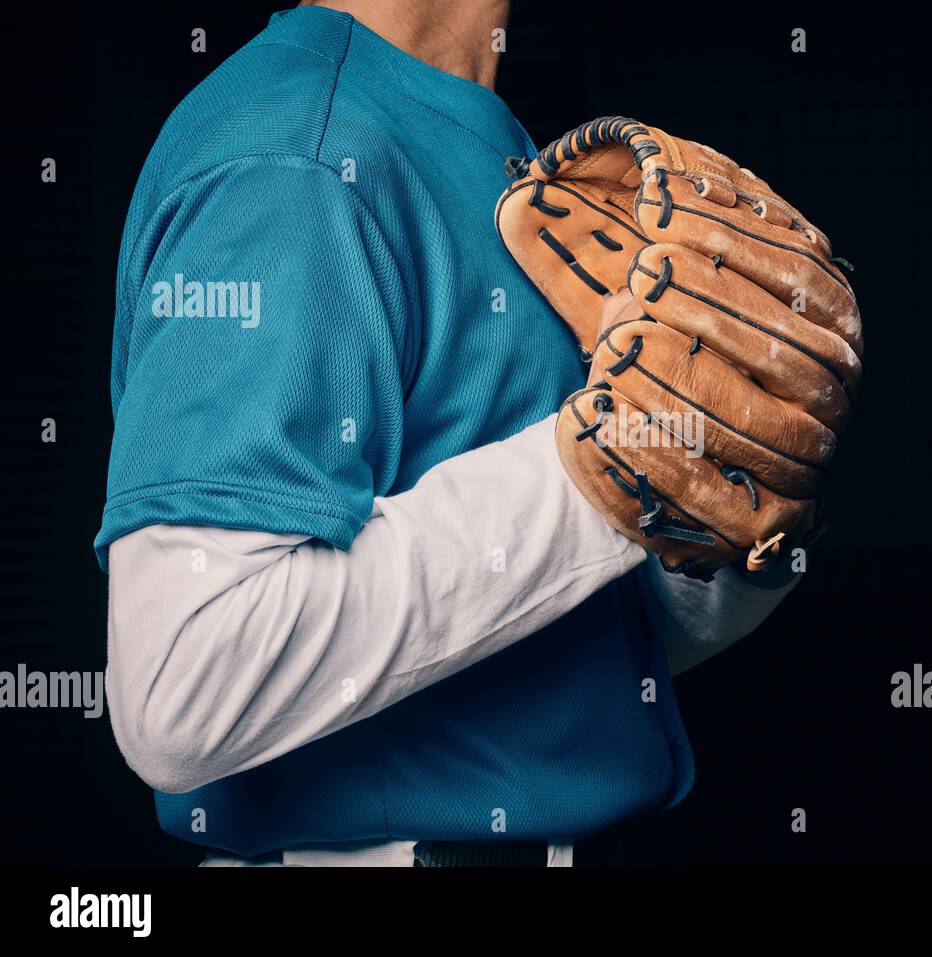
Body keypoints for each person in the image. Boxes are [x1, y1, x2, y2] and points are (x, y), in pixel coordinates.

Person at [96, 0, 802, 867]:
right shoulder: (293, 155)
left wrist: (725, 515)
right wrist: (602, 466)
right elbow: (185, 685)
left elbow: (562, 650)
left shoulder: (501, 147)